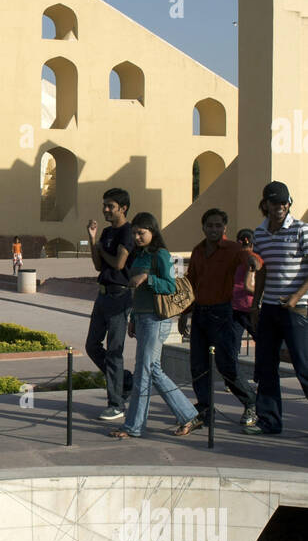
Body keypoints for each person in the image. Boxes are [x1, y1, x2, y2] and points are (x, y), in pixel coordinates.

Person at [109, 212, 200, 440]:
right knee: (154, 371)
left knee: (143, 373)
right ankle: (189, 414)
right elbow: (136, 292)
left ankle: (134, 426)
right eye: (135, 233)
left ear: (153, 232)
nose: (137, 237)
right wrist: (132, 318)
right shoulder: (139, 255)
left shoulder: (161, 255)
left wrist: (147, 279)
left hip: (156, 320)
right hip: (142, 318)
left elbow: (170, 286)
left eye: (142, 232)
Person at [244, 181, 308, 436]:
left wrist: (296, 296)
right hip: (269, 308)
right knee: (265, 366)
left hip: (297, 309)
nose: (280, 207)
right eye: (274, 202)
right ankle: (269, 421)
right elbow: (262, 271)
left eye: (283, 202)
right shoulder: (259, 234)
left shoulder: (302, 230)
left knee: (303, 367)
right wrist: (255, 305)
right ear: (266, 205)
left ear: (289, 203)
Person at [184, 208, 258, 428]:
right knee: (198, 366)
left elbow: (250, 258)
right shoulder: (198, 251)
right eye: (210, 225)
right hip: (199, 314)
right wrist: (184, 313)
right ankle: (205, 408)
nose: (214, 229)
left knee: (226, 366)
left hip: (222, 314)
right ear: (203, 227)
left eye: (218, 225)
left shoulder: (233, 249)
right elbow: (191, 282)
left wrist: (254, 264)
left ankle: (251, 402)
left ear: (225, 228)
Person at [85, 188, 135, 422]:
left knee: (114, 351)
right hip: (103, 295)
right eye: (104, 205)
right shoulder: (106, 232)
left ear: (123, 208)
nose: (105, 209)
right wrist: (93, 238)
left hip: (119, 297)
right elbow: (98, 265)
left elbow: (118, 263)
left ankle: (116, 403)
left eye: (110, 206)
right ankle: (123, 380)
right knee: (92, 346)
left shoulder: (128, 232)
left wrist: (102, 249)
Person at [231, 229, 262, 348]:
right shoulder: (253, 258)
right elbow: (248, 286)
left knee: (232, 346)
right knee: (265, 344)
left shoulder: (234, 258)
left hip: (234, 306)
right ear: (252, 243)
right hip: (249, 307)